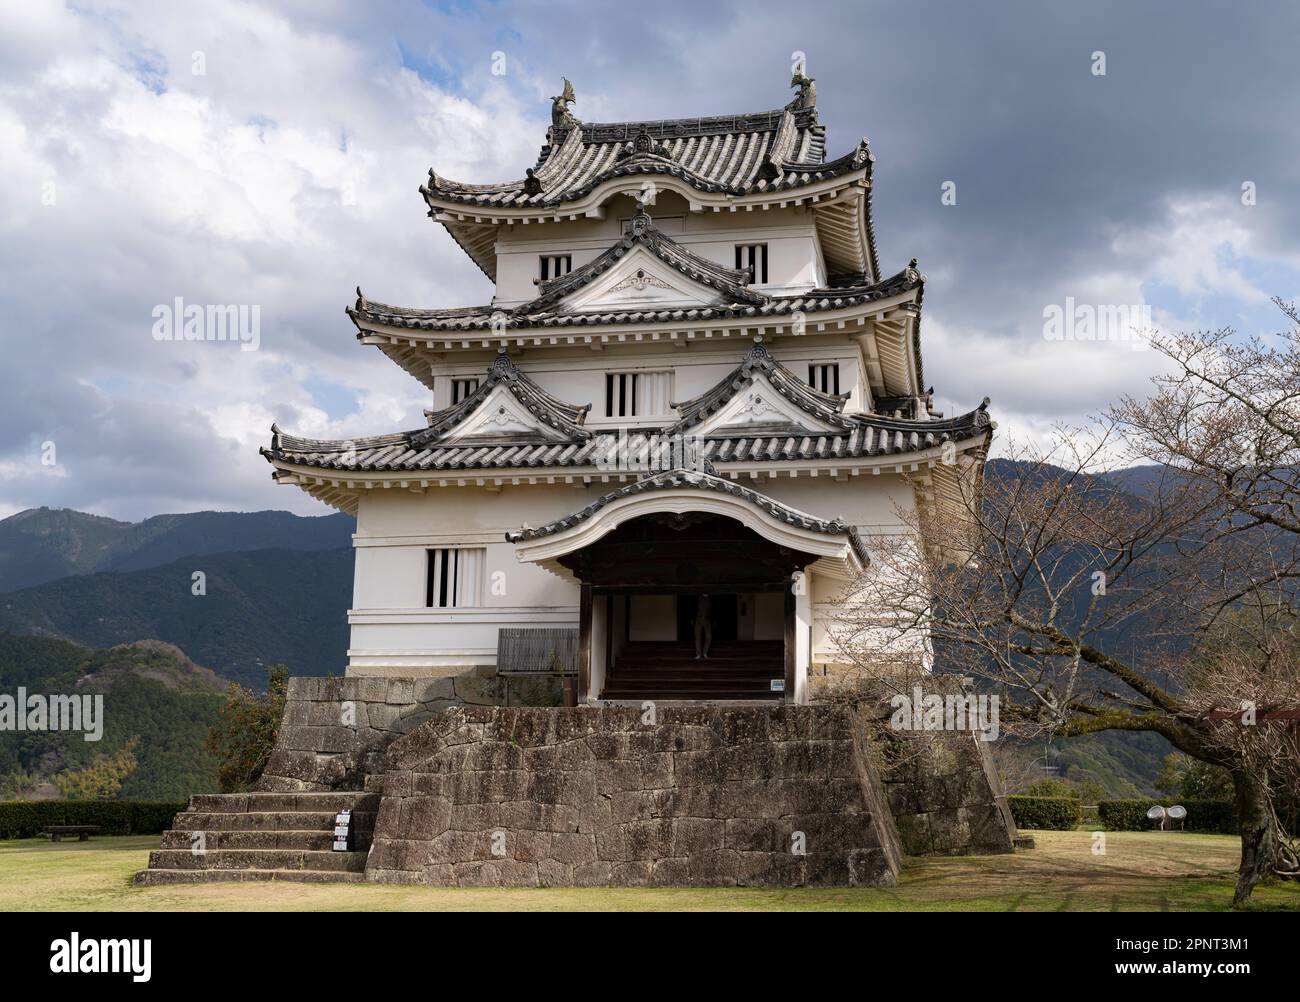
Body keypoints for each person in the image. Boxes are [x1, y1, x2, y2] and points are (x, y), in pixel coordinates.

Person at [694, 593, 712, 660]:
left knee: (709, 636)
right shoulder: (698, 597)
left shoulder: (710, 598)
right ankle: (698, 654)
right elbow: (693, 607)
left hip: (707, 619)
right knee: (697, 637)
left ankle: (705, 653)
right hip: (698, 619)